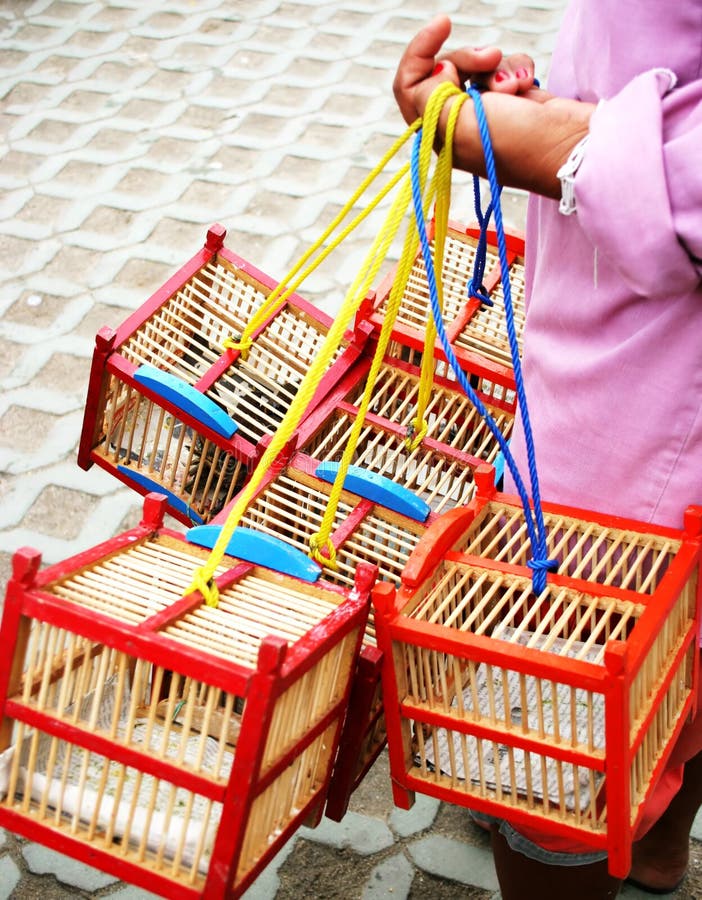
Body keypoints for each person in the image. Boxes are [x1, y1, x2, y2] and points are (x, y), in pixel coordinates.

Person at [392, 4, 702, 899]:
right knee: (676, 649)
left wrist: (530, 136)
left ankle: (596, 840)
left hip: (654, 372)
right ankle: (655, 847)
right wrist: (564, 109)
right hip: (619, 306)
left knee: (568, 692)